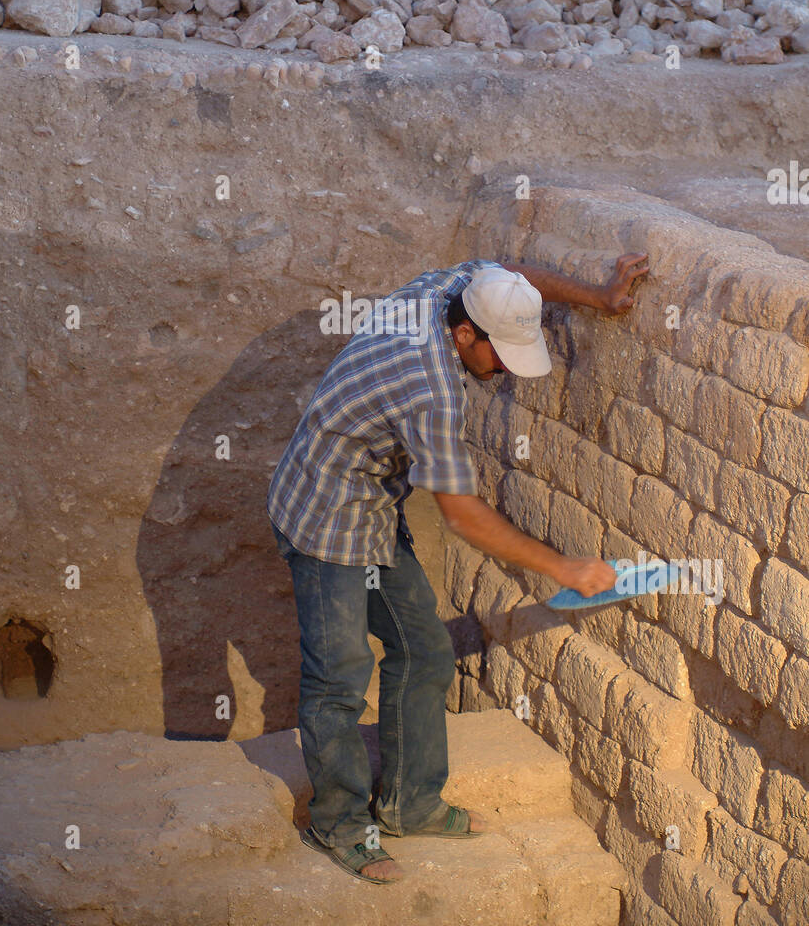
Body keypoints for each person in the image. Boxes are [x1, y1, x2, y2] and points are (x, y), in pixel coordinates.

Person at [267, 252, 649, 883]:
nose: (502, 371)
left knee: (423, 650)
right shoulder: (431, 388)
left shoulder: (454, 290)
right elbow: (464, 517)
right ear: (465, 334)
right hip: (324, 509)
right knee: (338, 677)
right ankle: (336, 824)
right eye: (499, 356)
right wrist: (564, 568)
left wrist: (600, 297)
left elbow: (519, 271)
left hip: (372, 503)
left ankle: (409, 805)